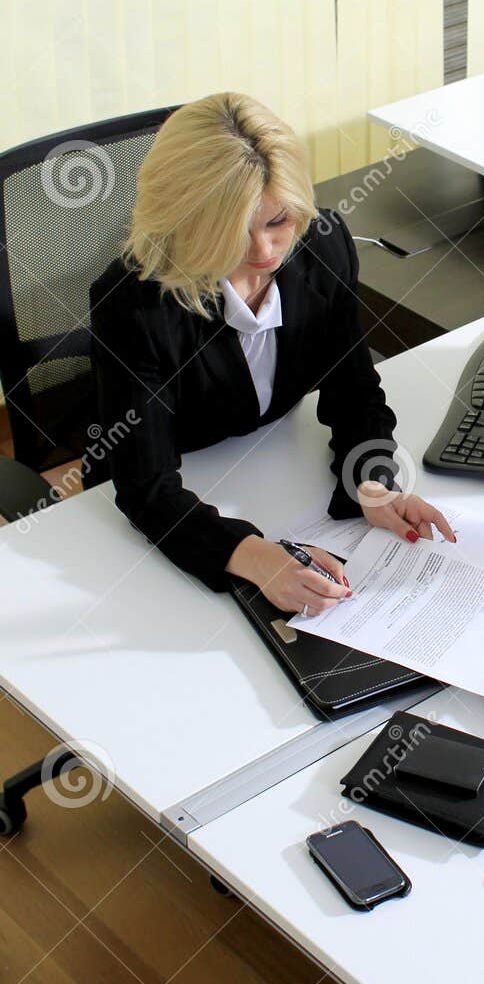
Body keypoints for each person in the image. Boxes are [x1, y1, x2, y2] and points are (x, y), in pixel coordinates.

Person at [89, 93, 453, 614]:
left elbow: (355, 393)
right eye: (236, 230)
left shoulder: (323, 248)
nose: (264, 251)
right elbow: (145, 487)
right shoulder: (134, 305)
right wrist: (254, 556)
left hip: (277, 463)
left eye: (278, 220)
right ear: (187, 222)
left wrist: (373, 483)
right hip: (177, 491)